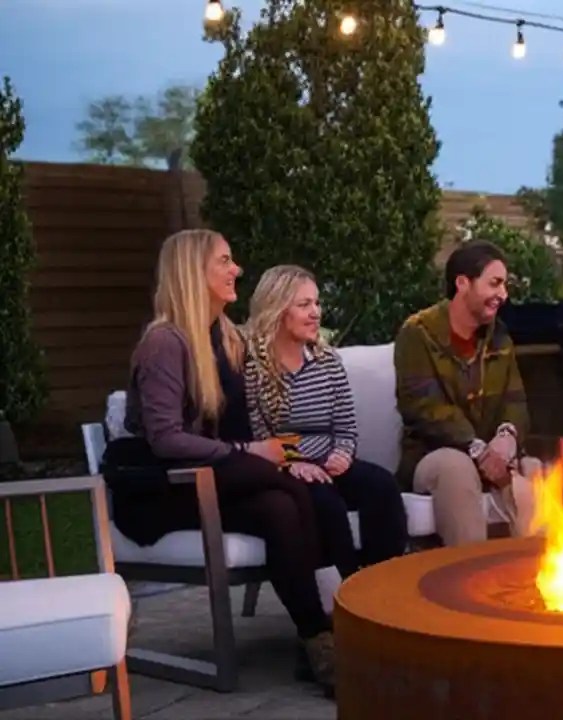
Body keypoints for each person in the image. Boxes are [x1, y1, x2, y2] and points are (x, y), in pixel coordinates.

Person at [103, 230, 335, 693]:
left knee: (280, 505)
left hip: (212, 483)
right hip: (162, 490)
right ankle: (325, 634)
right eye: (225, 261)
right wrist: (254, 455)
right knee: (287, 487)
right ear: (194, 273)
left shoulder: (226, 338)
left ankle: (317, 638)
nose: (237, 270)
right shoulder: (164, 343)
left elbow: (242, 428)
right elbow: (167, 438)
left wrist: (285, 454)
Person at [243, 265, 408, 578]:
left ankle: (384, 583)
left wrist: (342, 455)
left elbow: (346, 426)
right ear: (277, 311)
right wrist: (293, 464)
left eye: (317, 303)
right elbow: (259, 434)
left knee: (381, 486)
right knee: (326, 503)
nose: (315, 313)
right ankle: (348, 591)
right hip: (288, 469)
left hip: (332, 462)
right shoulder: (255, 369)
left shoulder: (328, 361)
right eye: (304, 305)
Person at [394, 241, 540, 546]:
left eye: (504, 285)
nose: (504, 295)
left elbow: (516, 401)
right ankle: (467, 579)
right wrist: (476, 448)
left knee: (535, 469)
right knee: (457, 470)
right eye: (495, 283)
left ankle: (532, 577)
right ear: (463, 283)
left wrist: (507, 436)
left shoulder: (499, 336)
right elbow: (422, 407)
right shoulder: (418, 333)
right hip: (435, 453)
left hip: (490, 452)